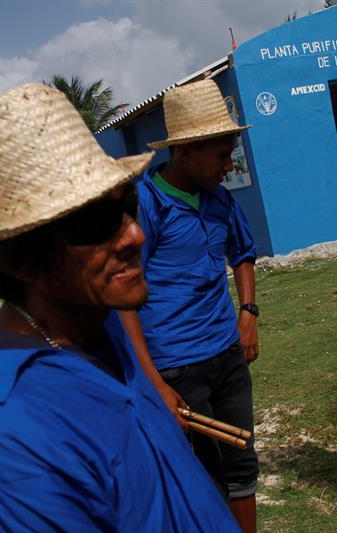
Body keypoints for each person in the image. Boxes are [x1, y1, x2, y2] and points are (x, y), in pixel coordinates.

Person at [0, 83, 240, 532]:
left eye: (127, 206)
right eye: (95, 224)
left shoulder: (95, 325)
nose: (135, 236)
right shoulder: (6, 446)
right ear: (20, 259)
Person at [119, 78, 260, 532]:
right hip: (177, 368)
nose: (229, 164)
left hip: (226, 355)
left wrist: (248, 312)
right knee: (201, 478)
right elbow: (121, 302)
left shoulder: (219, 199)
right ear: (184, 152)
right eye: (221, 156)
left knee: (242, 466)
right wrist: (152, 380)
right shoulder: (147, 204)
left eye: (230, 152)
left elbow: (242, 253)